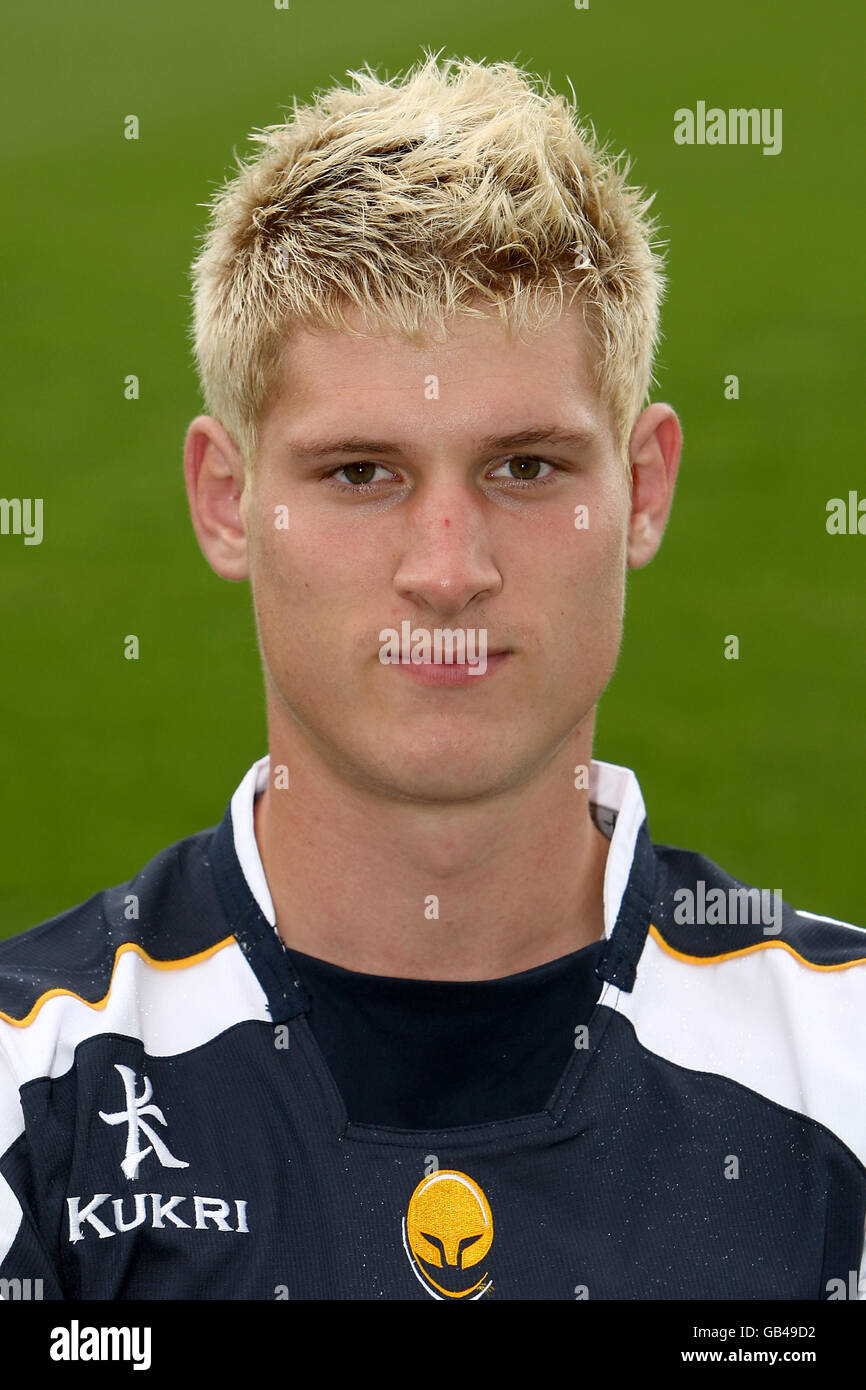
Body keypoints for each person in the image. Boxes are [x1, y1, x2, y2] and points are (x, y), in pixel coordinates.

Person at [1, 51, 864, 1303]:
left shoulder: (842, 1066)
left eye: (525, 468)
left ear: (645, 486)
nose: (447, 571)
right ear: (227, 500)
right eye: (361, 472)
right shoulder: (33, 1097)